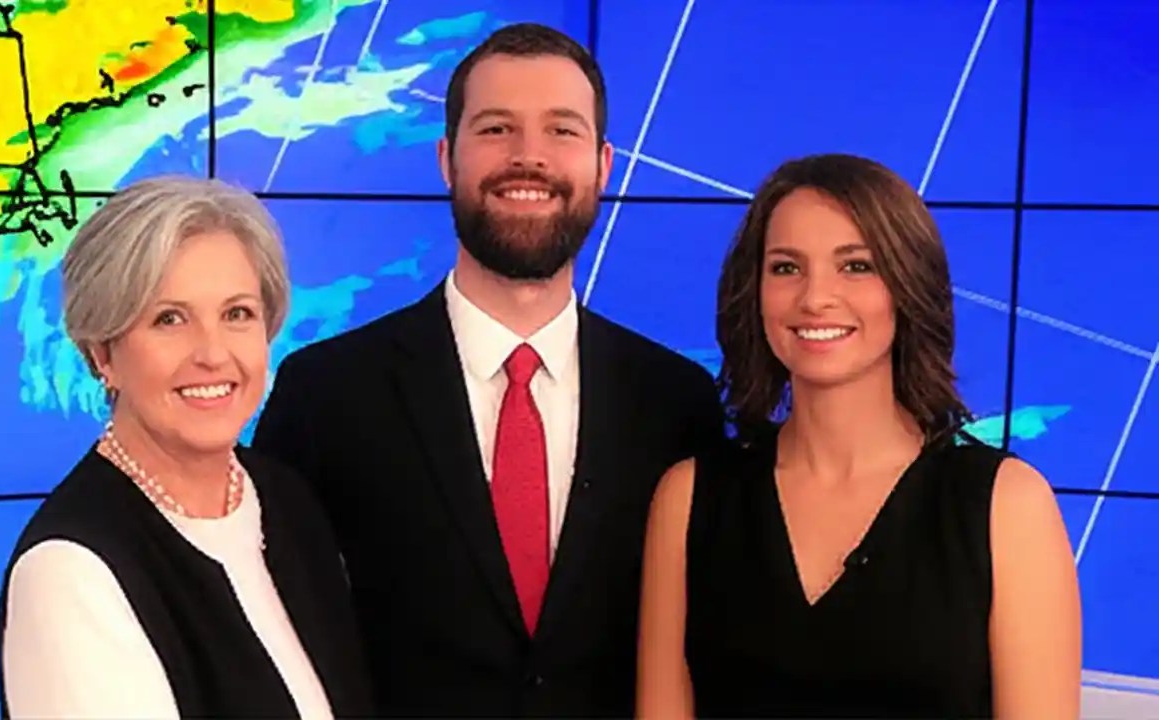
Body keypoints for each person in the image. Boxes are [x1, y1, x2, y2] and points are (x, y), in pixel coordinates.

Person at [253, 22, 725, 719]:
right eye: (497, 128)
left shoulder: (676, 404)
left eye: (561, 131)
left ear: (603, 164)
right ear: (447, 158)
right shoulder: (324, 393)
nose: (527, 157)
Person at [636, 153, 1082, 718]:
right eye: (785, 268)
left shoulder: (1006, 507)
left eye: (855, 266)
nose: (816, 297)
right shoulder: (690, 498)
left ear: (907, 286)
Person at [0, 176, 372, 719]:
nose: (213, 354)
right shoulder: (69, 572)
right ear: (103, 354)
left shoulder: (287, 500)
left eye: (237, 313)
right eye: (170, 319)